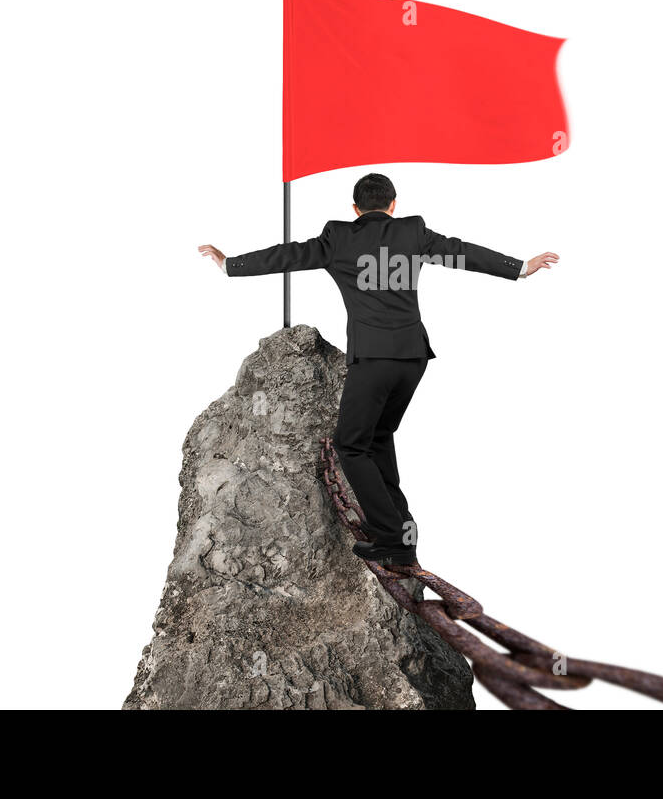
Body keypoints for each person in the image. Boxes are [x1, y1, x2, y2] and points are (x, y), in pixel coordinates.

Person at [199, 172, 558, 567]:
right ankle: (402, 528)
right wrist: (519, 266)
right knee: (378, 436)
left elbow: (289, 255)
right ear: (393, 204)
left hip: (373, 359)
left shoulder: (339, 237)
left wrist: (231, 264)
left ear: (355, 209)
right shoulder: (414, 233)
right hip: (413, 358)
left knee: (350, 445)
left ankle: (390, 537)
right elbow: (461, 253)